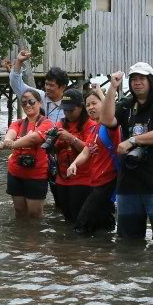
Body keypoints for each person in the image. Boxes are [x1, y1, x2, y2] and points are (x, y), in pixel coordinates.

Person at [99, 63, 153, 243]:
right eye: (134, 79)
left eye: (142, 78)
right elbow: (106, 120)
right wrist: (112, 88)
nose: (137, 82)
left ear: (151, 80)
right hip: (128, 182)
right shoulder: (126, 105)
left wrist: (133, 140)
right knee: (127, 241)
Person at [66, 84, 122, 234]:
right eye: (88, 105)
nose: (90, 107)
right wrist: (74, 164)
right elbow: (86, 152)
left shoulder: (111, 127)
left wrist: (102, 94)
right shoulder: (94, 129)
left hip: (108, 182)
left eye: (94, 103)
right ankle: (105, 247)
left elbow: (111, 111)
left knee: (81, 226)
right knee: (104, 225)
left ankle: (81, 250)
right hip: (96, 181)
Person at [0, 87, 53, 218]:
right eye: (24, 103)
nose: (27, 105)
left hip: (36, 174)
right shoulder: (18, 123)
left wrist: (11, 145)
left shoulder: (47, 123)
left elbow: (33, 138)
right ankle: (20, 232)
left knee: (35, 214)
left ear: (40, 103)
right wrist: (7, 141)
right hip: (15, 172)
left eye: (31, 101)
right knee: (19, 211)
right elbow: (10, 133)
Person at [52, 88, 93, 222]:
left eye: (71, 110)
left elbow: (89, 150)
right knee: (67, 218)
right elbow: (53, 150)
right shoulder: (61, 123)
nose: (67, 113)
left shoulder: (90, 124)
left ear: (81, 107)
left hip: (83, 178)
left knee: (79, 217)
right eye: (65, 110)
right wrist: (50, 141)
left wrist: (70, 138)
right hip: (62, 177)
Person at [9, 49, 68, 125]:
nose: (47, 88)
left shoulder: (69, 104)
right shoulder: (38, 96)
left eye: (51, 85)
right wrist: (19, 61)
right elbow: (16, 85)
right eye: (46, 84)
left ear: (63, 87)